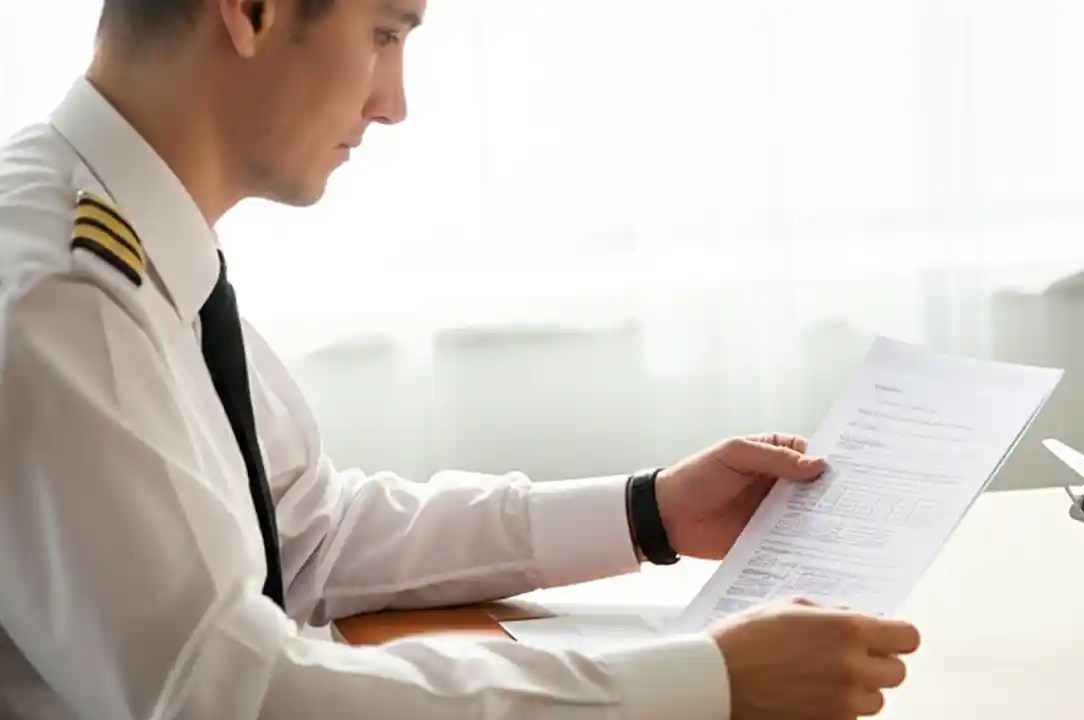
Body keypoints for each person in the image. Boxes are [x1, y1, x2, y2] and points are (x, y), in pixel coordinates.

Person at [0, 1, 921, 717]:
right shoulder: (69, 305)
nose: (393, 102)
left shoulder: (121, 237)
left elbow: (304, 533)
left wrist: (649, 513)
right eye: (386, 33)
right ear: (250, 11)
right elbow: (233, 698)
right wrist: (702, 685)